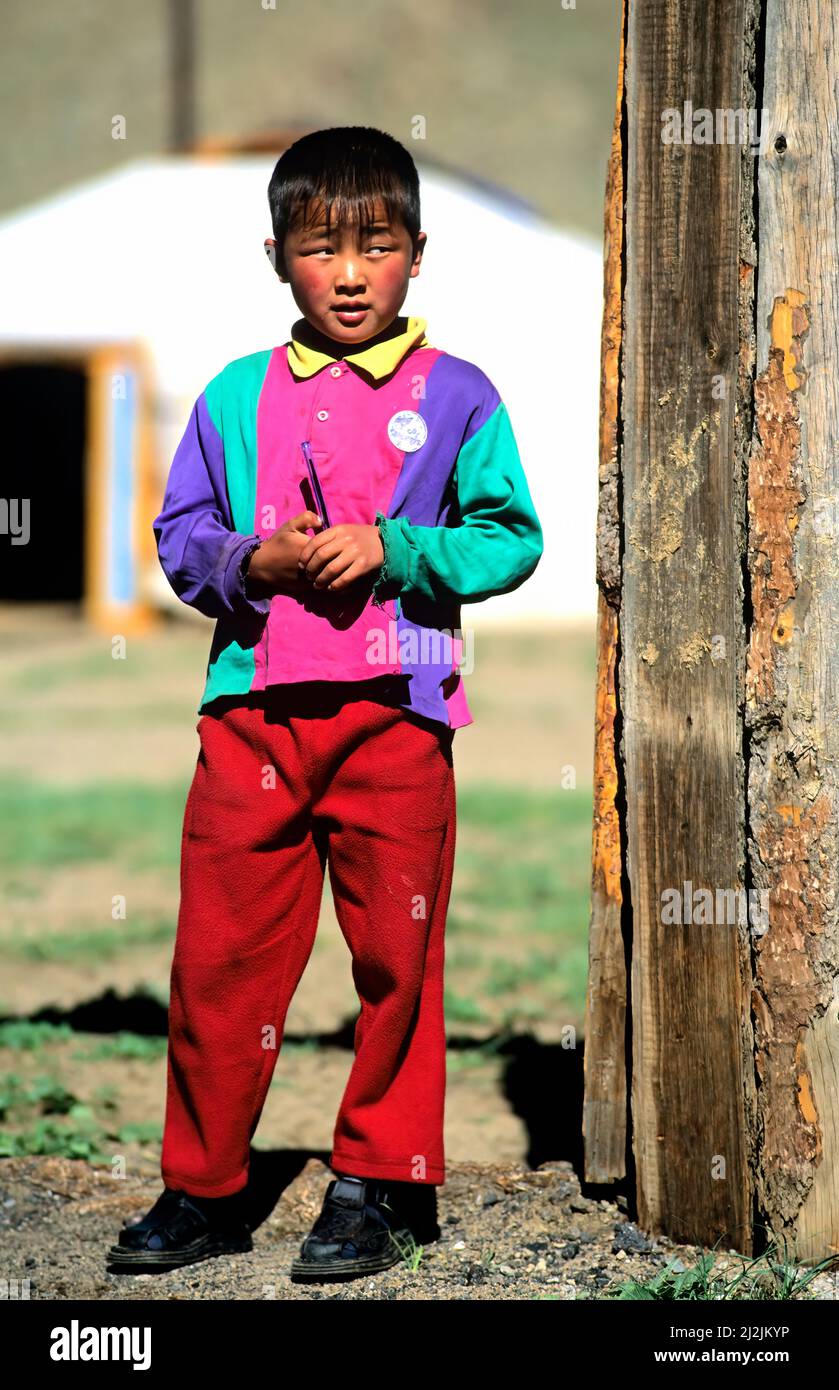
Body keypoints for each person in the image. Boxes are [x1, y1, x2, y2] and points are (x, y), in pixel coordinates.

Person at [107, 125, 544, 1285]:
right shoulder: (235, 394)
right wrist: (253, 563)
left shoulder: (456, 395)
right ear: (276, 258)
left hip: (396, 719)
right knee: (220, 961)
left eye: (376, 246)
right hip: (250, 716)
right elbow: (179, 537)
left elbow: (511, 538)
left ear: (416, 253)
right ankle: (203, 1186)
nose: (348, 273)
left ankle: (386, 1181)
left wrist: (392, 547)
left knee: (396, 957)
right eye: (319, 248)